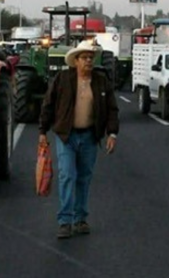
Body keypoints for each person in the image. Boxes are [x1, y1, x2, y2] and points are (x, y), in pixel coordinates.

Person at [40, 39, 119, 239]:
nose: (88, 62)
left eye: (91, 58)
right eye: (84, 58)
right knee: (67, 175)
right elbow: (49, 104)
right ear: (76, 61)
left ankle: (80, 218)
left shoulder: (101, 81)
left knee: (84, 178)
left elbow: (111, 109)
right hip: (67, 135)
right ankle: (65, 221)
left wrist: (112, 133)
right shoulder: (63, 79)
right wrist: (43, 131)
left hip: (90, 136)